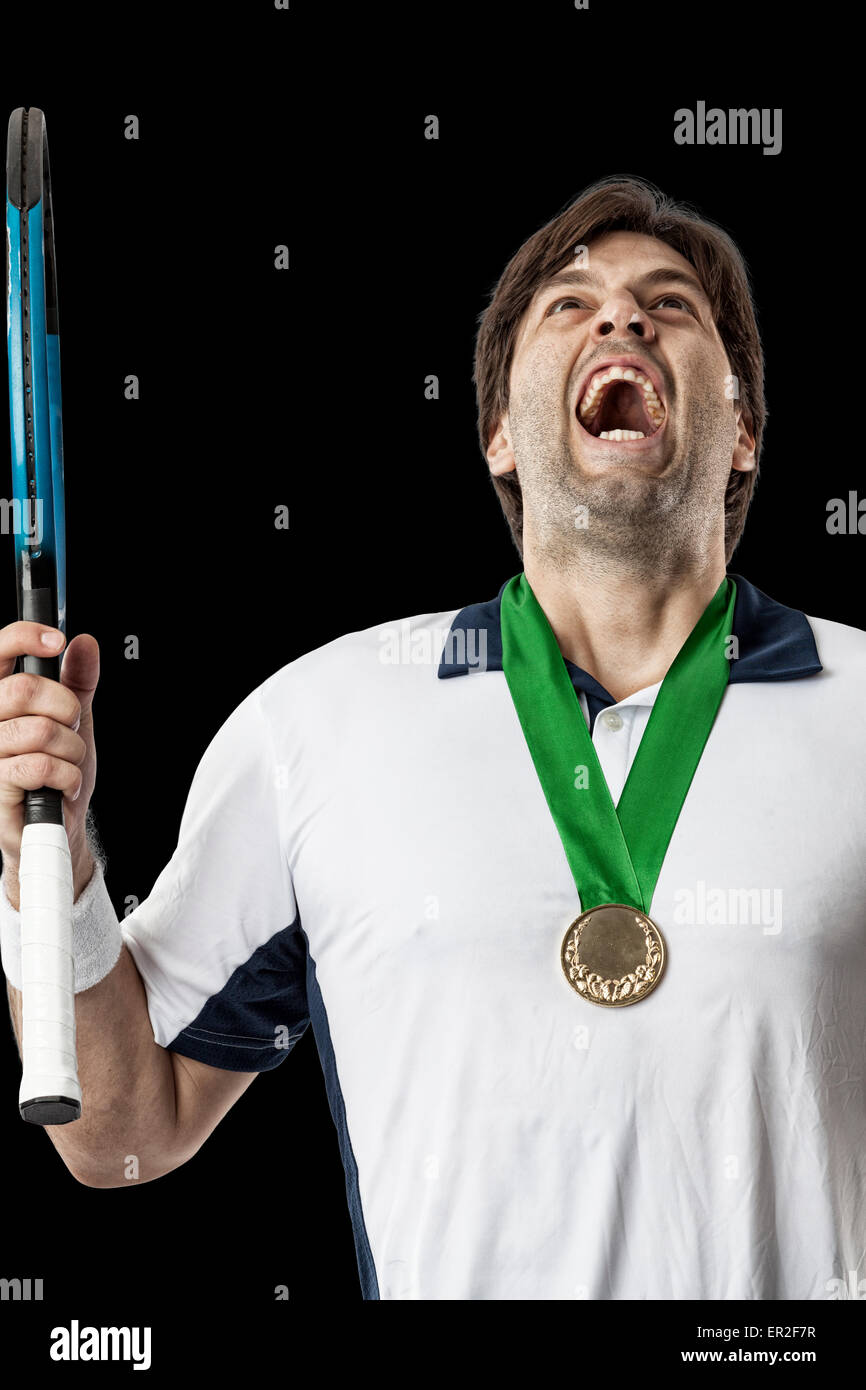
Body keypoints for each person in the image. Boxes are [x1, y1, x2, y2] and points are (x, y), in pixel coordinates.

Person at [2, 177, 864, 1301]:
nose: (622, 318)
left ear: (741, 430)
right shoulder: (316, 722)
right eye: (570, 305)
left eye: (670, 304)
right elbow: (118, 1136)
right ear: (499, 435)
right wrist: (52, 872)